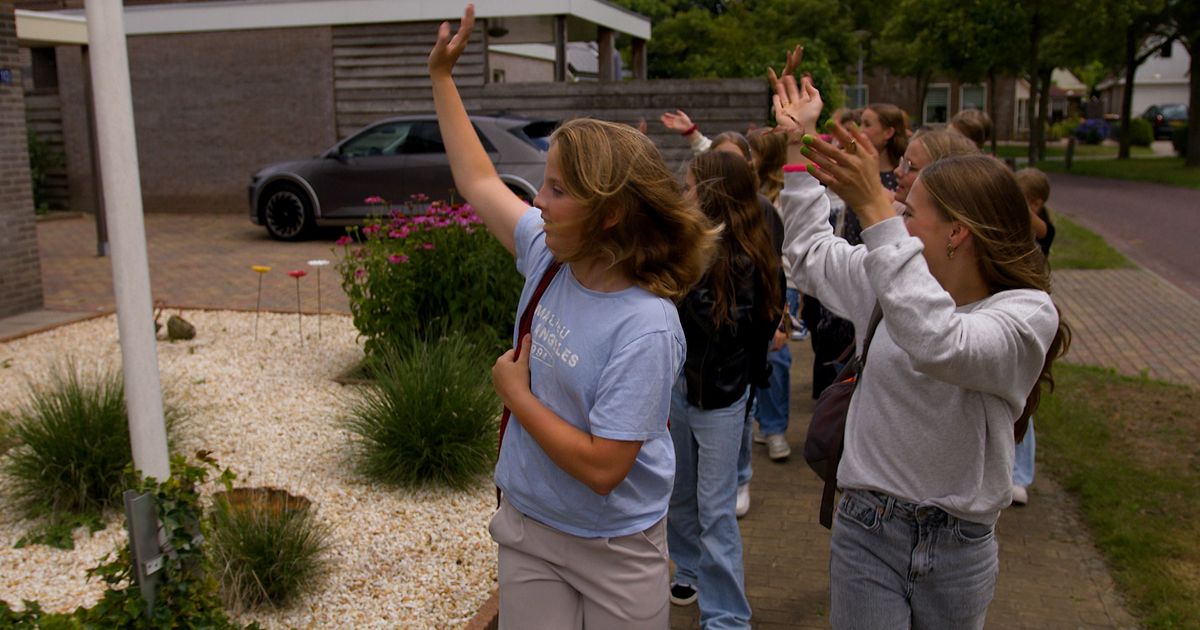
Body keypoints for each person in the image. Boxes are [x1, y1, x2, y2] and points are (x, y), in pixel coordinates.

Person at [429, 7, 717, 627]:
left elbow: (603, 468)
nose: (538, 200)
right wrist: (442, 79)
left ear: (609, 213)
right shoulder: (549, 254)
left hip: (616, 545)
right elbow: (477, 179)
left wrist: (514, 392)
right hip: (531, 529)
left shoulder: (644, 326)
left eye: (558, 189)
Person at [771, 61, 1070, 628]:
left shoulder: (1028, 314)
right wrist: (795, 147)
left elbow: (940, 343)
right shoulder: (888, 278)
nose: (897, 221)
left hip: (958, 548)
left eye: (909, 213)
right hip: (866, 530)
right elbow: (809, 255)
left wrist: (875, 212)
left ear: (958, 232)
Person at [668, 150, 781, 629]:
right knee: (678, 491)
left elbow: (734, 328)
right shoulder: (687, 240)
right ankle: (689, 568)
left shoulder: (746, 252)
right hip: (680, 385)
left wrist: (674, 285)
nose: (684, 192)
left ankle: (728, 617)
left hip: (721, 396)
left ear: (711, 192)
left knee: (716, 509)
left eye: (691, 184)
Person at [1010, 167, 1056, 506]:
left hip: (1031, 312)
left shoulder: (1042, 229)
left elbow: (1040, 228)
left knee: (1024, 400)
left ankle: (1020, 476)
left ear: (1035, 203)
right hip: (1011, 309)